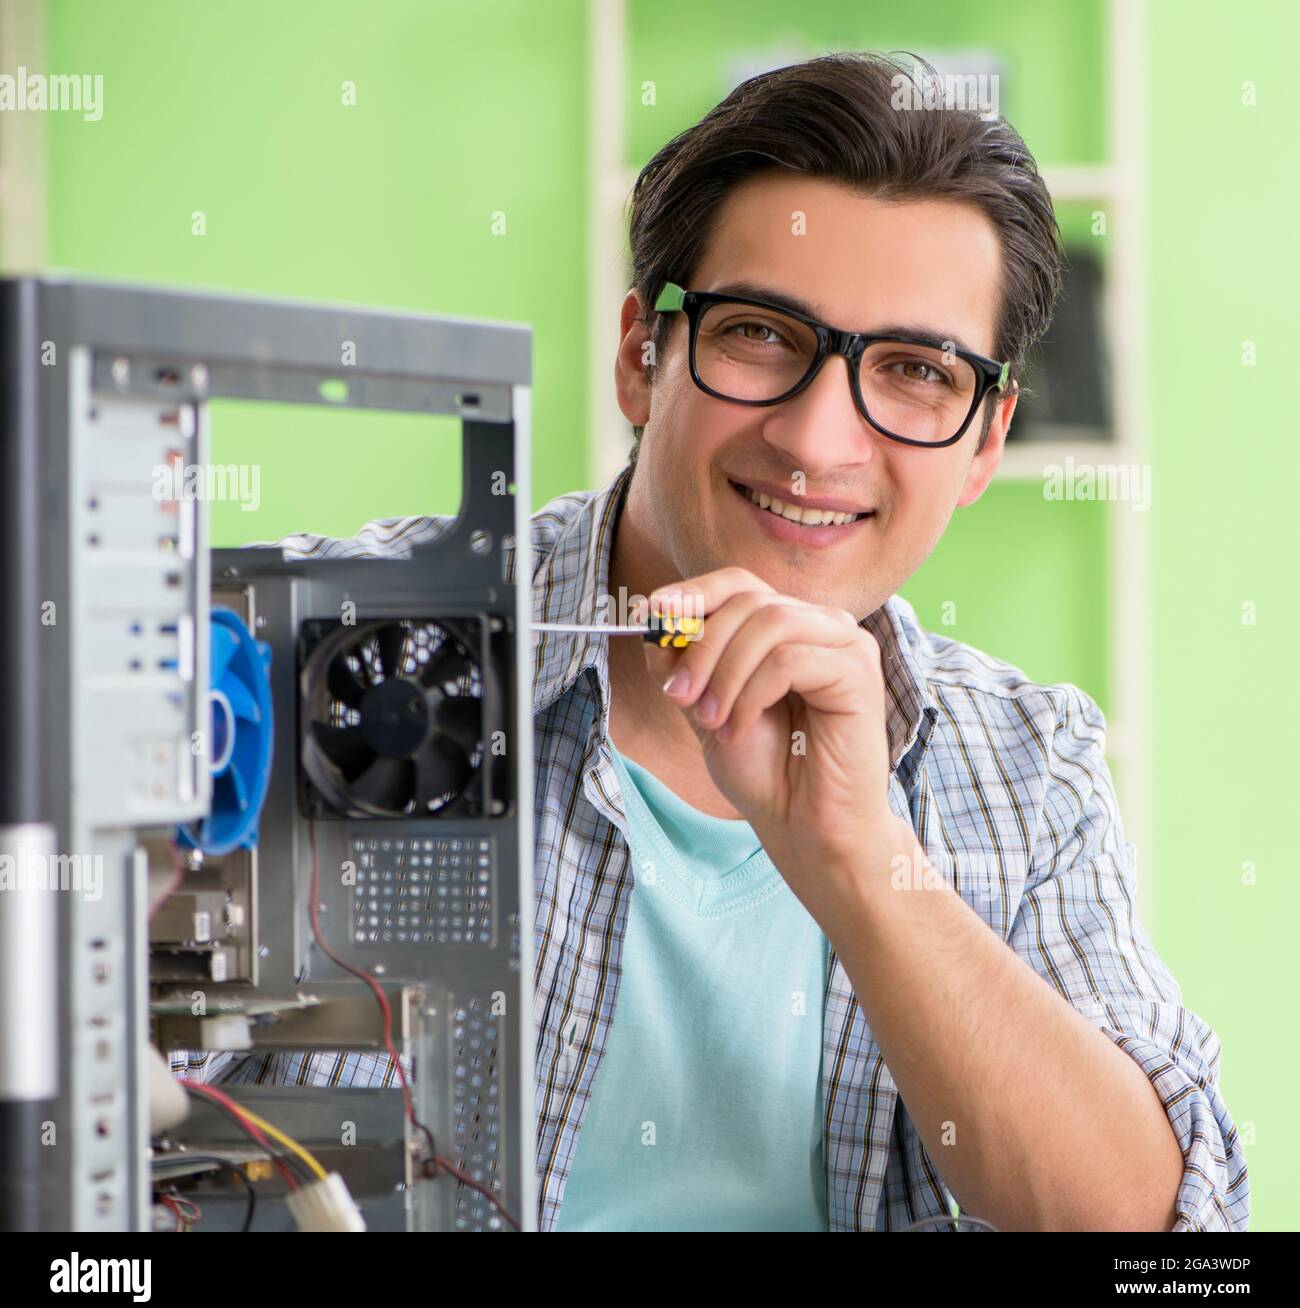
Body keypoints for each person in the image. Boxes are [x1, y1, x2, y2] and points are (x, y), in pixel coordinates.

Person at [202, 51, 1248, 1232]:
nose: (816, 438)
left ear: (986, 440)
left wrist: (858, 858)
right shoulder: (323, 652)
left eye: (913, 371)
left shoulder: (1026, 765)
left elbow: (1171, 1238)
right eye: (759, 334)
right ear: (642, 355)